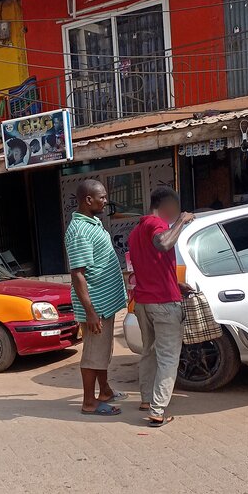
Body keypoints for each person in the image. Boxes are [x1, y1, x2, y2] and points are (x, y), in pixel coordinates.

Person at [128, 188, 195, 427]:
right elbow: (163, 244)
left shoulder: (135, 232)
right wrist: (181, 221)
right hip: (164, 304)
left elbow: (150, 267)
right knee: (168, 357)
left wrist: (176, 283)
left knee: (150, 352)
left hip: (145, 303)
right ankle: (157, 410)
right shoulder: (157, 225)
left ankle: (147, 399)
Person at [65, 179, 128, 416]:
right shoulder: (79, 231)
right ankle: (89, 403)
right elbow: (78, 274)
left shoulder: (91, 222)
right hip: (96, 306)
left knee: (102, 352)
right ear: (87, 200)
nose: (105, 201)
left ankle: (105, 391)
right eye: (101, 197)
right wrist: (91, 312)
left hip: (104, 302)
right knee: (93, 355)